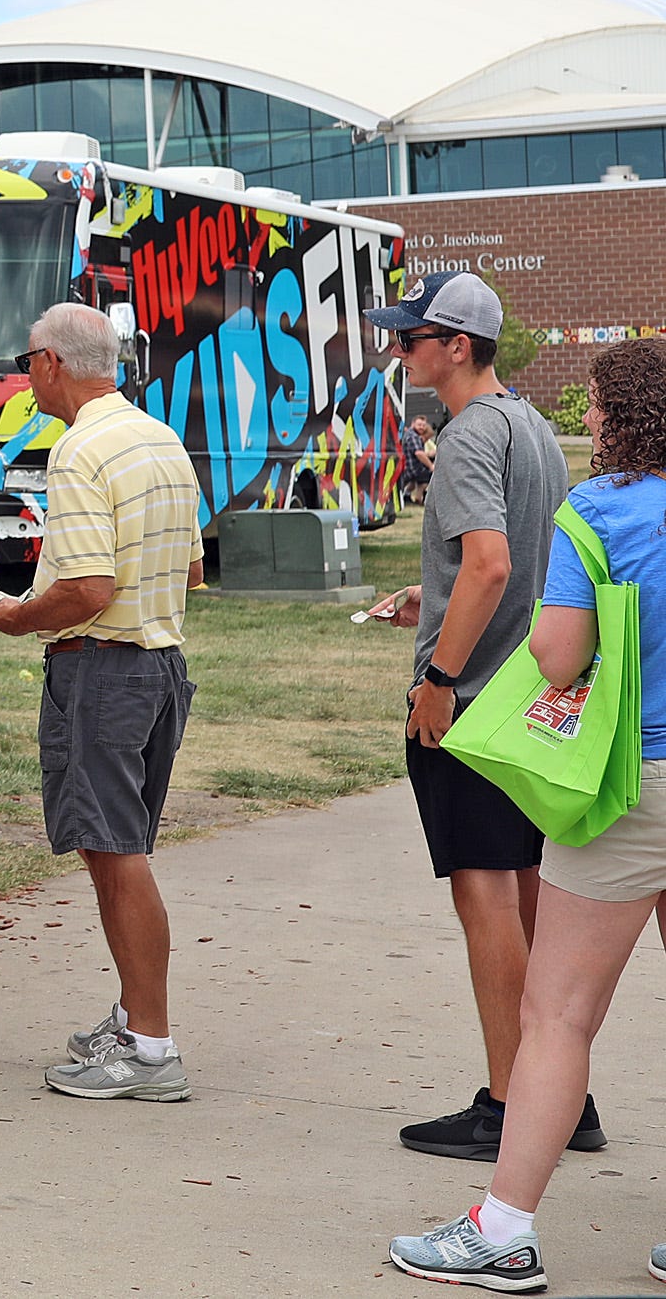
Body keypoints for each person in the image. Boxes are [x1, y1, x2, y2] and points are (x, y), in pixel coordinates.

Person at [386, 340, 666, 1291]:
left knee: (557, 1016)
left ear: (625, 416)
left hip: (635, 782)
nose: (585, 418)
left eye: (595, 403)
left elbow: (555, 655)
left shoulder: (599, 511)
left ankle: (503, 1229)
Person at [365, 270, 594, 1163]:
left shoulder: (464, 437)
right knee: (529, 890)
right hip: (531, 698)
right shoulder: (532, 426)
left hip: (478, 705)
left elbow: (492, 565)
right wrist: (434, 595)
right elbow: (526, 564)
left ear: (457, 347)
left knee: (484, 894)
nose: (399, 350)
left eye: (412, 337)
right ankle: (560, 1098)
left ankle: (508, 1100)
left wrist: (439, 677)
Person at [0, 303, 205, 1103]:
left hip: (104, 669)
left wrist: (15, 616)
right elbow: (191, 570)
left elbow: (84, 589)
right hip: (157, 663)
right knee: (117, 850)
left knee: (116, 856)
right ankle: (137, 1018)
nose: (23, 372)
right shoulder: (158, 436)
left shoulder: (78, 449)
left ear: (51, 363)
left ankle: (149, 1049)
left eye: (25, 358)